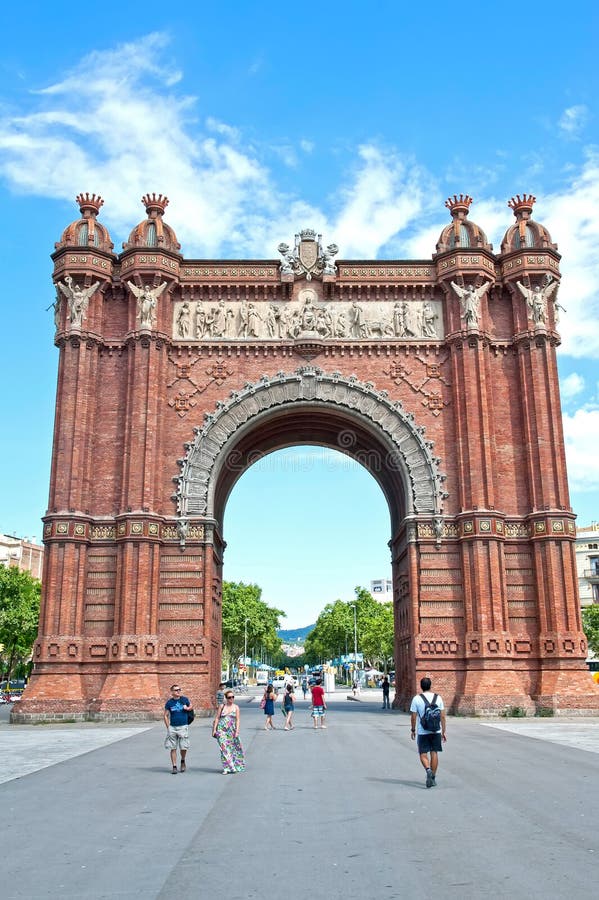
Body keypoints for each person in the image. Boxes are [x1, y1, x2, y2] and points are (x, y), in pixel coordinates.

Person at [410, 676, 447, 788]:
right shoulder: (438, 698)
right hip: (436, 730)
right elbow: (443, 716)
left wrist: (413, 730)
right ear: (430, 685)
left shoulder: (416, 699)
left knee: (423, 753)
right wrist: (443, 731)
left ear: (421, 687)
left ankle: (428, 770)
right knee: (434, 752)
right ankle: (433, 777)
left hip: (423, 731)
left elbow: (413, 716)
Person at [212, 689, 245, 774]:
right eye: (229, 697)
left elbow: (238, 720)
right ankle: (227, 768)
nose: (231, 699)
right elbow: (217, 718)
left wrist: (237, 731)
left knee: (233, 748)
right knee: (224, 749)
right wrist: (214, 730)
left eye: (233, 697)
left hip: (232, 730)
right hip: (221, 730)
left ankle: (234, 765)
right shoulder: (222, 706)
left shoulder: (236, 707)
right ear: (226, 698)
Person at [164, 684, 192, 774]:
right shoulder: (169, 703)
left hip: (183, 726)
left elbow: (191, 706)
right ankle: (174, 766)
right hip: (173, 727)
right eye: (176, 690)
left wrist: (187, 708)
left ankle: (183, 761)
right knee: (173, 748)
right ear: (172, 692)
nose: (178, 691)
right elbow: (165, 715)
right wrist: (168, 727)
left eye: (179, 689)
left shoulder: (184, 699)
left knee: (183, 747)